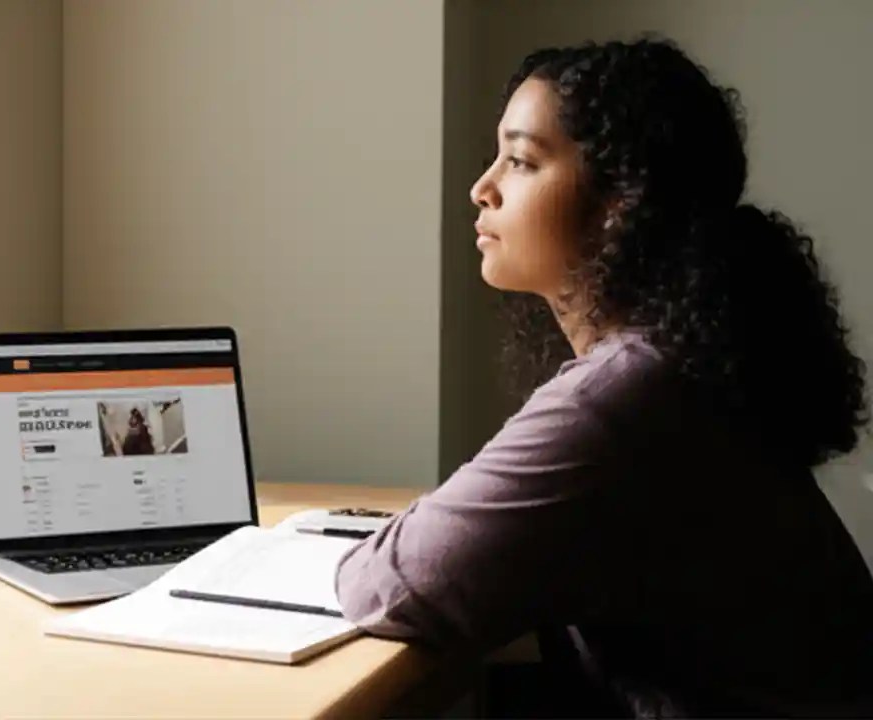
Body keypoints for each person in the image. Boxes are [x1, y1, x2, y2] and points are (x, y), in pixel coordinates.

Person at [335, 36, 873, 717]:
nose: (482, 188)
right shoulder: (681, 370)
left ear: (621, 200)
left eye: (521, 161)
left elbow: (393, 585)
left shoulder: (625, 397)